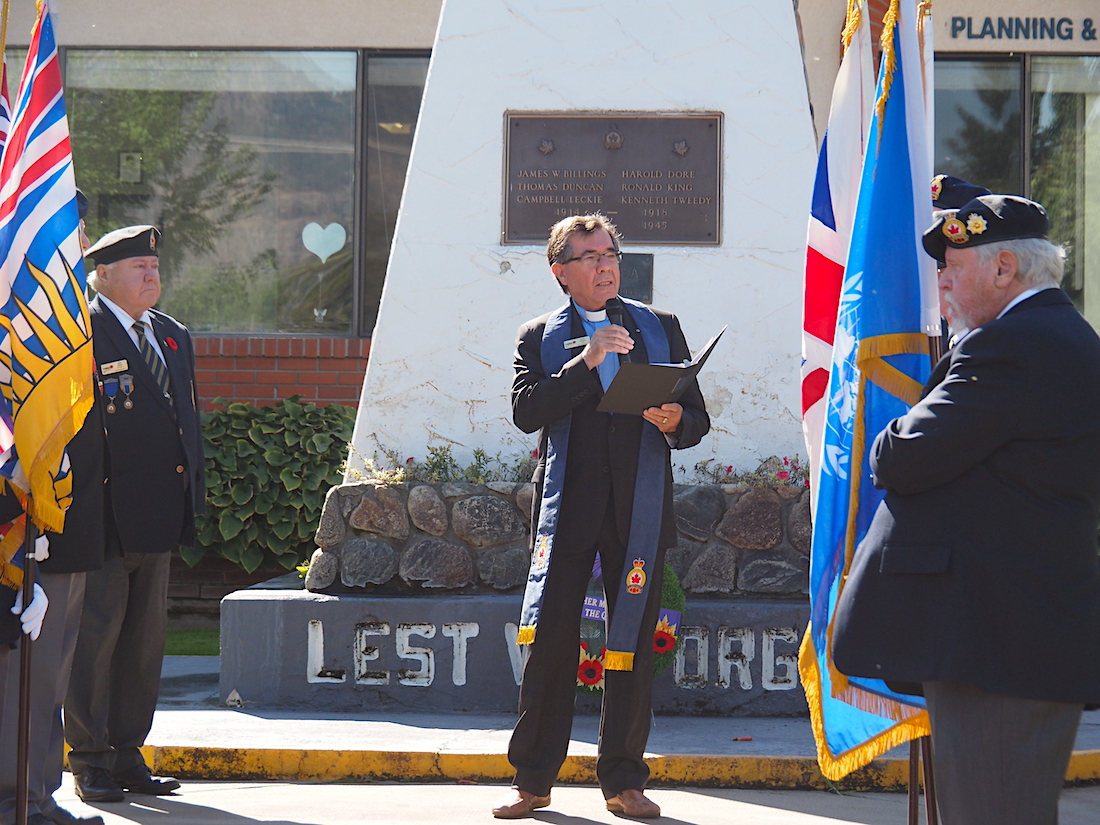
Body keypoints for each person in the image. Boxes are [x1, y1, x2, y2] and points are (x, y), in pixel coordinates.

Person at [832, 195, 1100, 825]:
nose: (942, 282)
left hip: (995, 641)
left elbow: (899, 457)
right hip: (1007, 633)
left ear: (1004, 267)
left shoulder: (1012, 346)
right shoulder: (1048, 336)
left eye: (951, 266)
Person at [493, 214, 709, 819]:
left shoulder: (659, 327)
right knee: (551, 646)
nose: (605, 264)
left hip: (637, 509)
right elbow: (526, 411)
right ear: (560, 272)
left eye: (610, 253)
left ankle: (624, 780)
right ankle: (532, 780)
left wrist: (675, 422)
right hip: (566, 512)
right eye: (588, 257)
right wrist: (585, 362)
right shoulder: (538, 337)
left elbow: (696, 418)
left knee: (633, 645)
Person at [64, 226, 205, 803]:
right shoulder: (80, 335)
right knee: (95, 643)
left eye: (154, 265)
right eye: (138, 268)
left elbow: (183, 424)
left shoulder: (170, 334)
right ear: (103, 276)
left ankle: (127, 754)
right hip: (102, 517)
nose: (152, 275)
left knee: (144, 647)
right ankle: (90, 759)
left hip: (156, 515)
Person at [0, 188, 109, 825]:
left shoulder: (71, 319)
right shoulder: (21, 315)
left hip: (69, 528)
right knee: (25, 680)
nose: (78, 241)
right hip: (25, 529)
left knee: (52, 681)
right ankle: (19, 799)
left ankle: (39, 793)